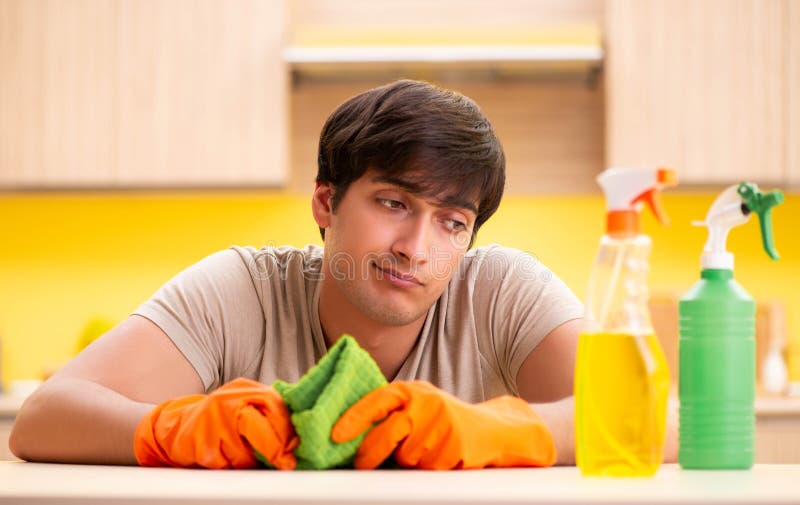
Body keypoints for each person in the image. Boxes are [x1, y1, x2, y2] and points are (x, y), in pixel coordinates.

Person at [9, 79, 676, 469]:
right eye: (394, 203)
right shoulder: (242, 288)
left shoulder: (500, 289)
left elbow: (658, 425)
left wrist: (494, 429)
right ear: (327, 201)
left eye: (451, 221)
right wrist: (180, 428)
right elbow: (40, 420)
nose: (417, 246)